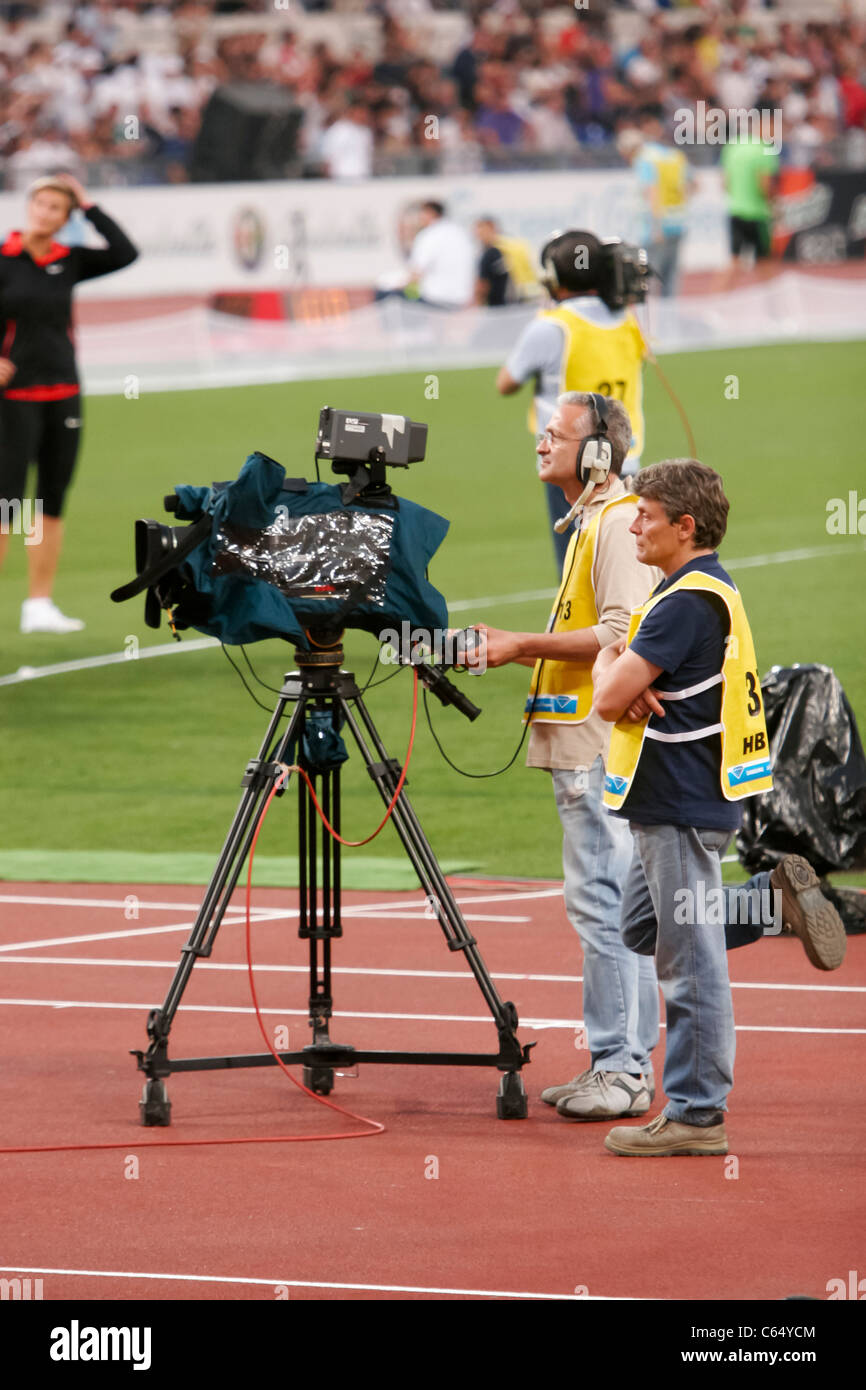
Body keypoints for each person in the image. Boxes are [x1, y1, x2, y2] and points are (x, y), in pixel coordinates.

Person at [592, 459, 846, 1157]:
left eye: (646, 515)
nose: (634, 524)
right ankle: (771, 903)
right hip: (684, 797)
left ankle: (698, 1115)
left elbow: (609, 698)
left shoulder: (681, 603)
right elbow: (618, 672)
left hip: (677, 798)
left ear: (686, 525)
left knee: (690, 960)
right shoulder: (700, 590)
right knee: (646, 927)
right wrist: (616, 662)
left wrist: (610, 667)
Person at [475, 391, 661, 1121]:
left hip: (593, 748)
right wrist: (505, 652)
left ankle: (622, 1067)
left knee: (604, 907)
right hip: (585, 743)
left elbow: (618, 632)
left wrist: (521, 644)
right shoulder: (595, 519)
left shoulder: (614, 523)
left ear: (594, 454)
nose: (539, 441)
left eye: (553, 433)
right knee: (617, 906)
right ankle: (621, 1062)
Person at [0, 174, 138, 633]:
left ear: (66, 218)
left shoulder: (71, 260)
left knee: (49, 501)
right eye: (40, 204)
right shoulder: (4, 260)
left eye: (57, 208)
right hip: (11, 400)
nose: (45, 213)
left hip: (63, 394)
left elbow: (126, 252)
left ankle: (38, 605)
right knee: (6, 504)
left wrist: (90, 204)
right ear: (29, 207)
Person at [496, 229, 647, 573]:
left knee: (578, 577)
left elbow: (506, 383)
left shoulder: (552, 327)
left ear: (552, 276)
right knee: (624, 573)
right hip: (627, 461)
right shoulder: (628, 320)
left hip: (573, 468)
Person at [618, 113, 693, 298]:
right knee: (670, 279)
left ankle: (650, 323)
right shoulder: (675, 156)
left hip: (656, 226)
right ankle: (670, 322)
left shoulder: (644, 160)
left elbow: (652, 192)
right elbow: (692, 184)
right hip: (679, 222)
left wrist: (656, 226)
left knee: (648, 278)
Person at [405, 200, 475, 309]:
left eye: (421, 213)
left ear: (430, 213)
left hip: (435, 298)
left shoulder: (429, 235)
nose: (419, 217)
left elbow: (417, 272)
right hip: (462, 298)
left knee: (390, 298)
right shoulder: (460, 232)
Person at [474, 216, 511, 307]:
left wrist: (475, 305)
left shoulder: (491, 252)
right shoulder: (508, 247)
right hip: (512, 304)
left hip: (497, 306)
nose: (478, 235)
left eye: (481, 232)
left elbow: (483, 284)